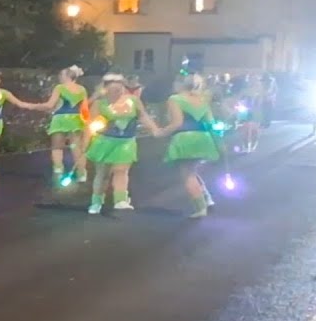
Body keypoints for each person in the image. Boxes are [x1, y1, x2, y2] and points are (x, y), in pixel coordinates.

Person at [85, 73, 161, 214]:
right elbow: (90, 125)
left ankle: (120, 200)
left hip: (126, 142)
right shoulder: (99, 104)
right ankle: (96, 202)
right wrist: (86, 143)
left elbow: (143, 115)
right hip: (105, 142)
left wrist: (154, 129)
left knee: (121, 170)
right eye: (114, 90)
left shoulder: (133, 101)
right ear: (105, 89)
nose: (117, 93)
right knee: (103, 174)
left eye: (120, 89)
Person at [158, 73, 221, 218]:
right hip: (203, 138)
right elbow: (211, 123)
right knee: (193, 171)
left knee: (187, 175)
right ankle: (207, 199)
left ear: (180, 85)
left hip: (185, 139)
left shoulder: (175, 99)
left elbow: (177, 123)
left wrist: (161, 132)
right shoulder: (202, 100)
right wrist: (219, 142)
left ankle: (201, 208)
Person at [37, 65, 90, 186]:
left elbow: (50, 104)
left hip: (60, 118)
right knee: (76, 146)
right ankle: (81, 173)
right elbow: (84, 108)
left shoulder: (59, 88)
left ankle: (58, 170)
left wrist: (37, 106)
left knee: (57, 145)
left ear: (67, 76)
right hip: (76, 119)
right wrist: (86, 122)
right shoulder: (82, 89)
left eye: (61, 75)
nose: (59, 77)